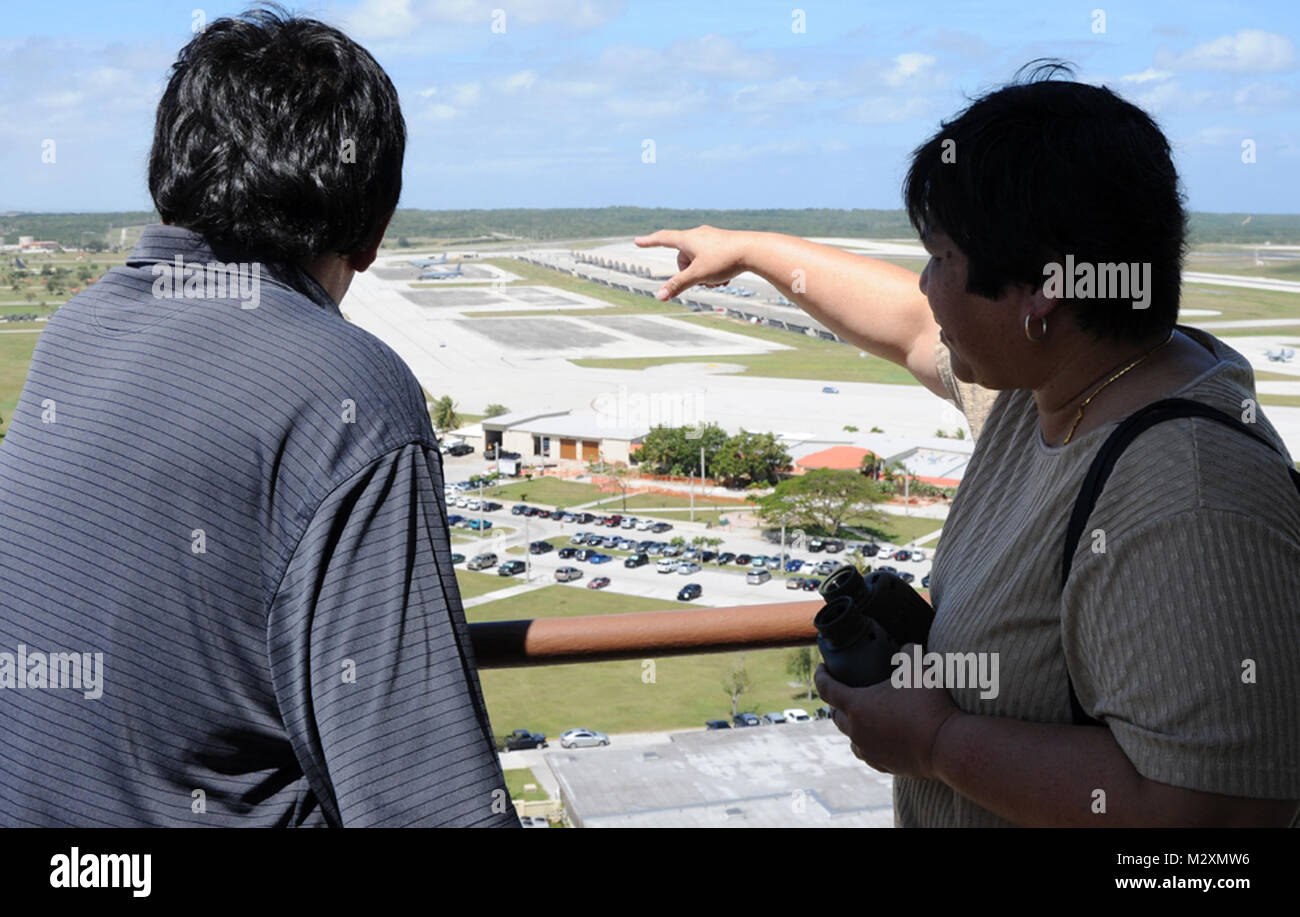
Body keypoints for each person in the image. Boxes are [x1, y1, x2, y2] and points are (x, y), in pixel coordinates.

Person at [636, 61, 1300, 827]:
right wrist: (747, 250)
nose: (925, 284)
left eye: (944, 258)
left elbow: (1212, 817)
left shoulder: (1190, 493)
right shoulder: (1057, 377)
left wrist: (939, 740)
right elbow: (912, 325)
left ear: (1043, 291)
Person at [0, 7, 516, 827]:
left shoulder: (77, 328)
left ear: (169, 174)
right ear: (374, 233)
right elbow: (423, 795)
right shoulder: (346, 390)